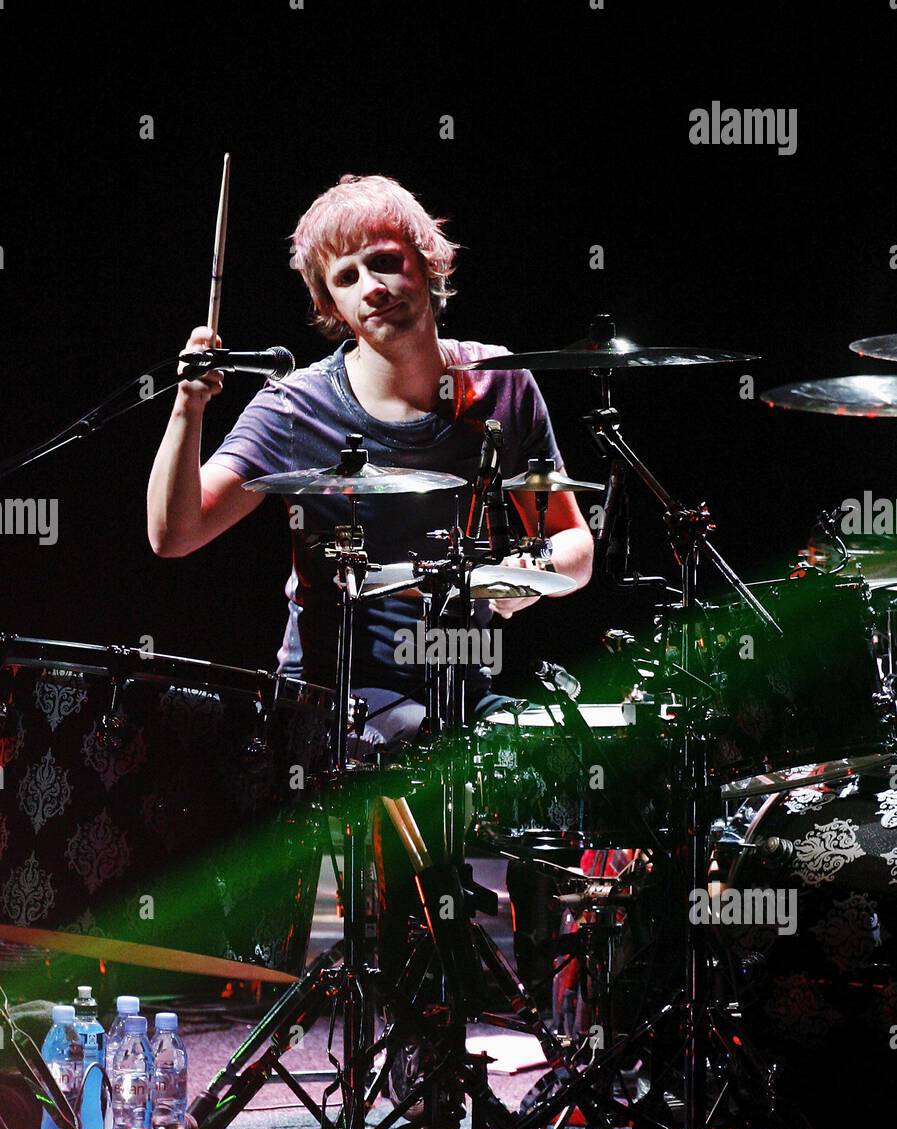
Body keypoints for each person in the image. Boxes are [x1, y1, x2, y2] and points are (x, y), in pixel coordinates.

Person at [147, 174, 594, 1033]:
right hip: (342, 694)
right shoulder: (295, 405)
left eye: (384, 263)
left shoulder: (502, 387)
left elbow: (572, 545)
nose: (371, 287)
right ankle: (428, 1023)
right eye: (344, 278)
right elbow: (175, 535)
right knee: (417, 775)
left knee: (589, 768)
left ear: (428, 266)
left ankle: (559, 1024)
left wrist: (521, 580)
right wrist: (188, 407)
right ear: (329, 305)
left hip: (468, 682)